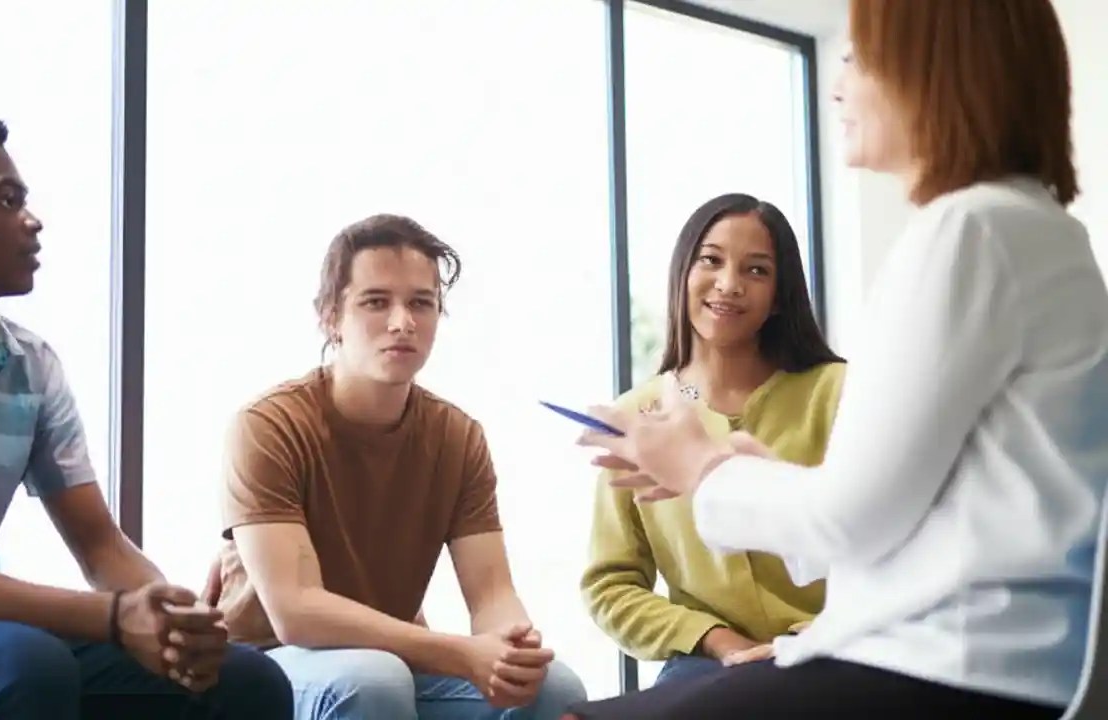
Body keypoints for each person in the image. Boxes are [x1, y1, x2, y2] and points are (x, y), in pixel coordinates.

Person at [565, 0, 1106, 718]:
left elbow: (847, 524)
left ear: (929, 71)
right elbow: (911, 517)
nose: (839, 84)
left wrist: (705, 468)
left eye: (858, 57)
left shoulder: (967, 232)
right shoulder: (1042, 234)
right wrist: (749, 473)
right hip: (999, 662)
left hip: (946, 668)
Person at [0, 112, 293, 719]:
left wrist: (175, 620)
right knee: (21, 666)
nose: (33, 220)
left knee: (242, 680)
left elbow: (101, 546)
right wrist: (115, 618)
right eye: (7, 199)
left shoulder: (30, 365)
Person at [210, 213, 587, 719]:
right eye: (375, 302)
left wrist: (512, 644)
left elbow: (492, 592)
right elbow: (295, 611)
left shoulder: (458, 437)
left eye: (421, 303)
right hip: (265, 667)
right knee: (373, 680)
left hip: (389, 662)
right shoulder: (269, 425)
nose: (402, 322)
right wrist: (457, 654)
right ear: (329, 316)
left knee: (554, 687)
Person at [580, 193, 845, 689]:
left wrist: (816, 635)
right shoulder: (637, 417)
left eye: (757, 271)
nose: (729, 285)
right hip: (703, 662)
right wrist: (717, 640)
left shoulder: (839, 393)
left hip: (834, 645)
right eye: (711, 260)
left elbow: (883, 540)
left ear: (781, 294)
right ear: (683, 271)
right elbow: (609, 585)